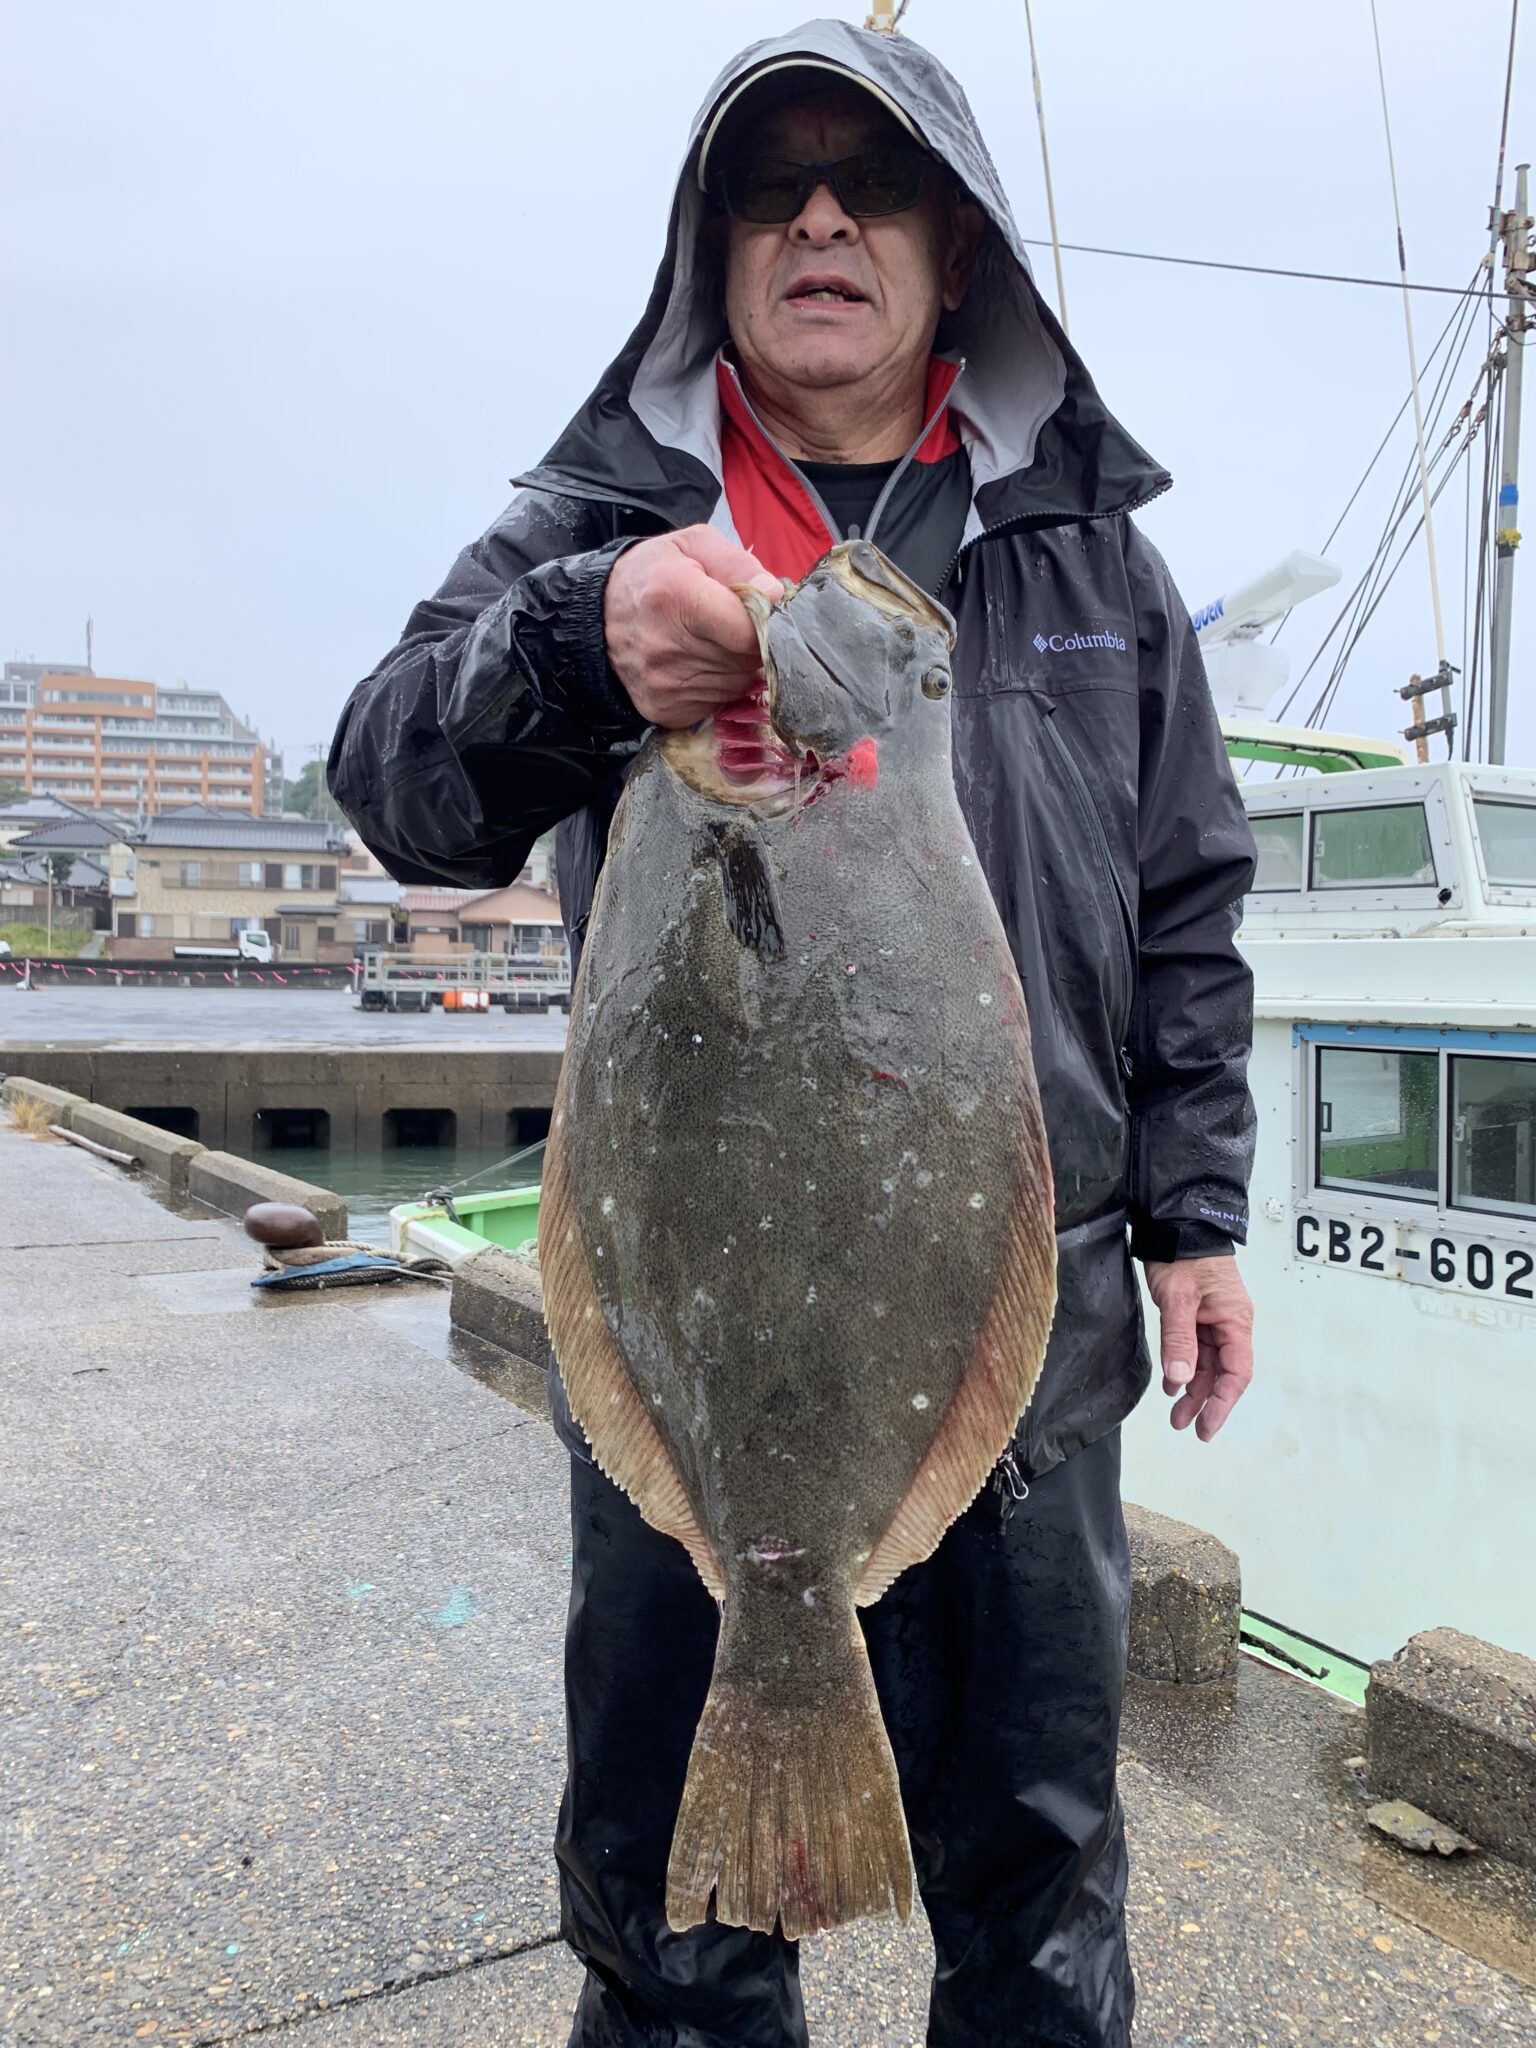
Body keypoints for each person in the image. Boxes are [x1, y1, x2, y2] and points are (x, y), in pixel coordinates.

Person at [329, 20, 1257, 2046]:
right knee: (675, 1937)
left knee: (1040, 1906)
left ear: (957, 240)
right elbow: (392, 783)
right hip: (694, 1343)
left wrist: (1195, 1217)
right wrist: (580, 644)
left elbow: (1184, 901)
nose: (822, 218)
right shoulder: (594, 526)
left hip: (1028, 1335)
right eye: (772, 184)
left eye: (874, 179)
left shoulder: (1089, 554)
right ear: (713, 245)